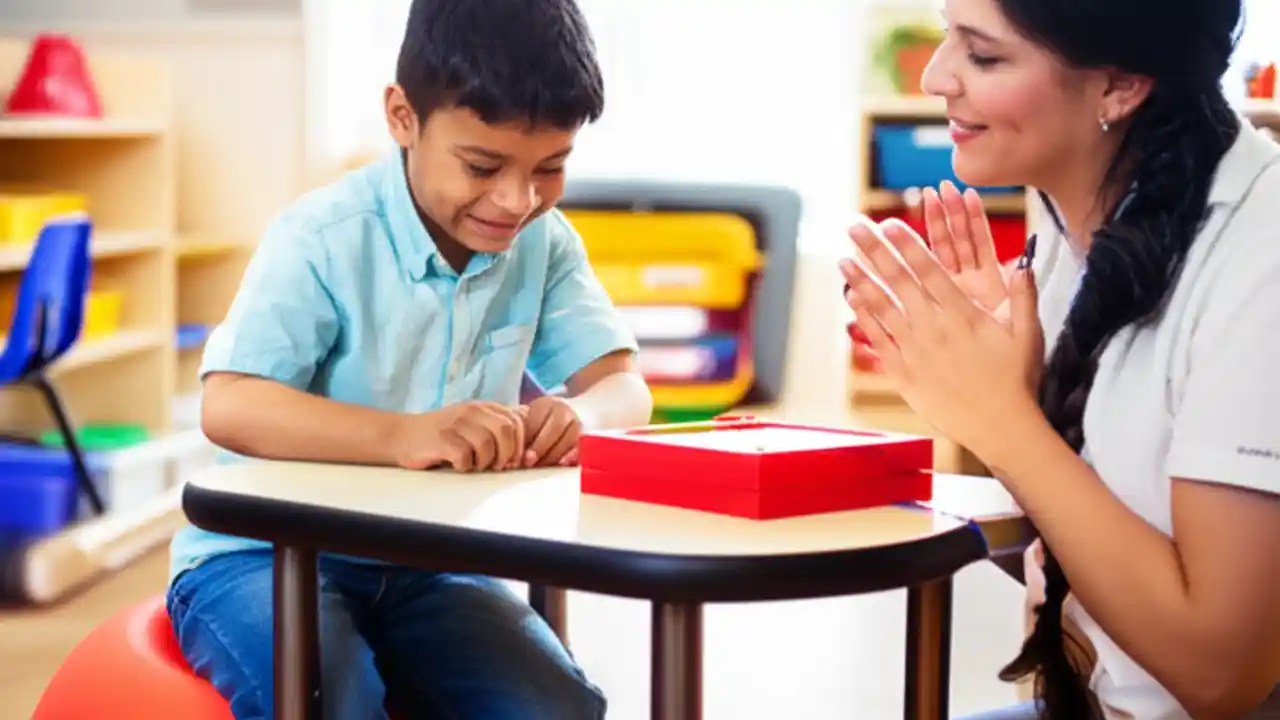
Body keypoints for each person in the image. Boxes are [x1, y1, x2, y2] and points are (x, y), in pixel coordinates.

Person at [166, 0, 652, 717]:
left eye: (551, 167)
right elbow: (230, 403)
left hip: (436, 566)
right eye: (482, 165)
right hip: (263, 558)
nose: (518, 199)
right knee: (341, 694)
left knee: (557, 708)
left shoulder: (544, 245)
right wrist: (404, 435)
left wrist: (581, 415)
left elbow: (622, 387)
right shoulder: (324, 236)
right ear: (402, 117)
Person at [839, 0, 1280, 718]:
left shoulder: (1262, 261)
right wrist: (1013, 396)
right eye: (948, 35)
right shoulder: (1076, 211)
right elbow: (1086, 558)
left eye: (983, 55)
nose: (937, 78)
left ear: (1119, 87)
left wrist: (1005, 423)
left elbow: (1218, 673)